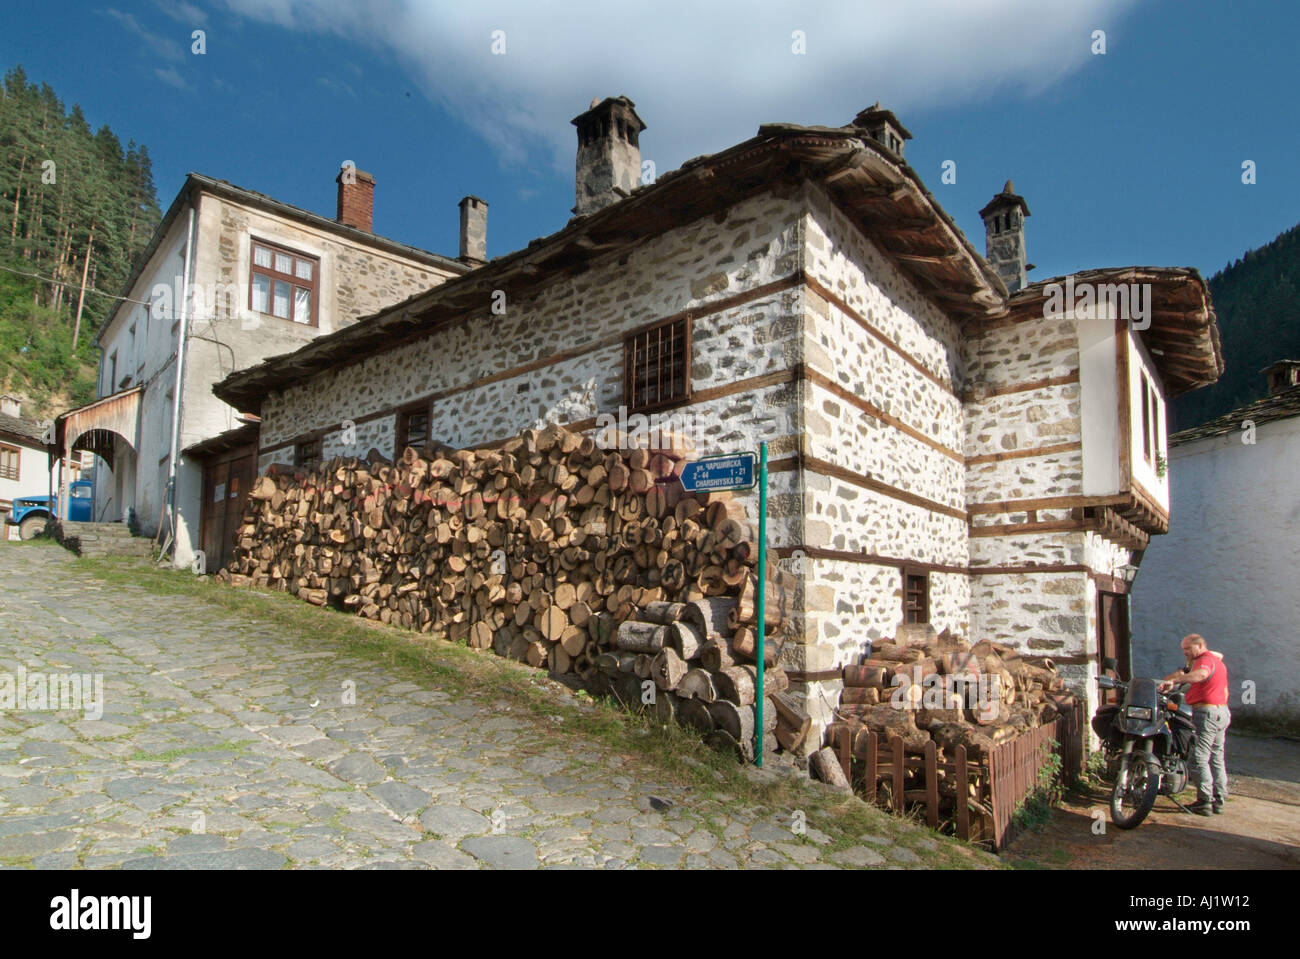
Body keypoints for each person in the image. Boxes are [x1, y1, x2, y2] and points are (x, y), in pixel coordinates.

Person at [1159, 634, 1230, 816]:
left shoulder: (1204, 662)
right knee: (1216, 756)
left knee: (1198, 758)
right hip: (1221, 712)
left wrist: (1174, 681)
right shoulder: (1214, 659)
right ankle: (1219, 800)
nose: (1185, 653)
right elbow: (1215, 657)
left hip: (1206, 713)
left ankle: (1204, 801)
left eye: (1188, 649)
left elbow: (1201, 674)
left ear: (1199, 646)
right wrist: (1170, 679)